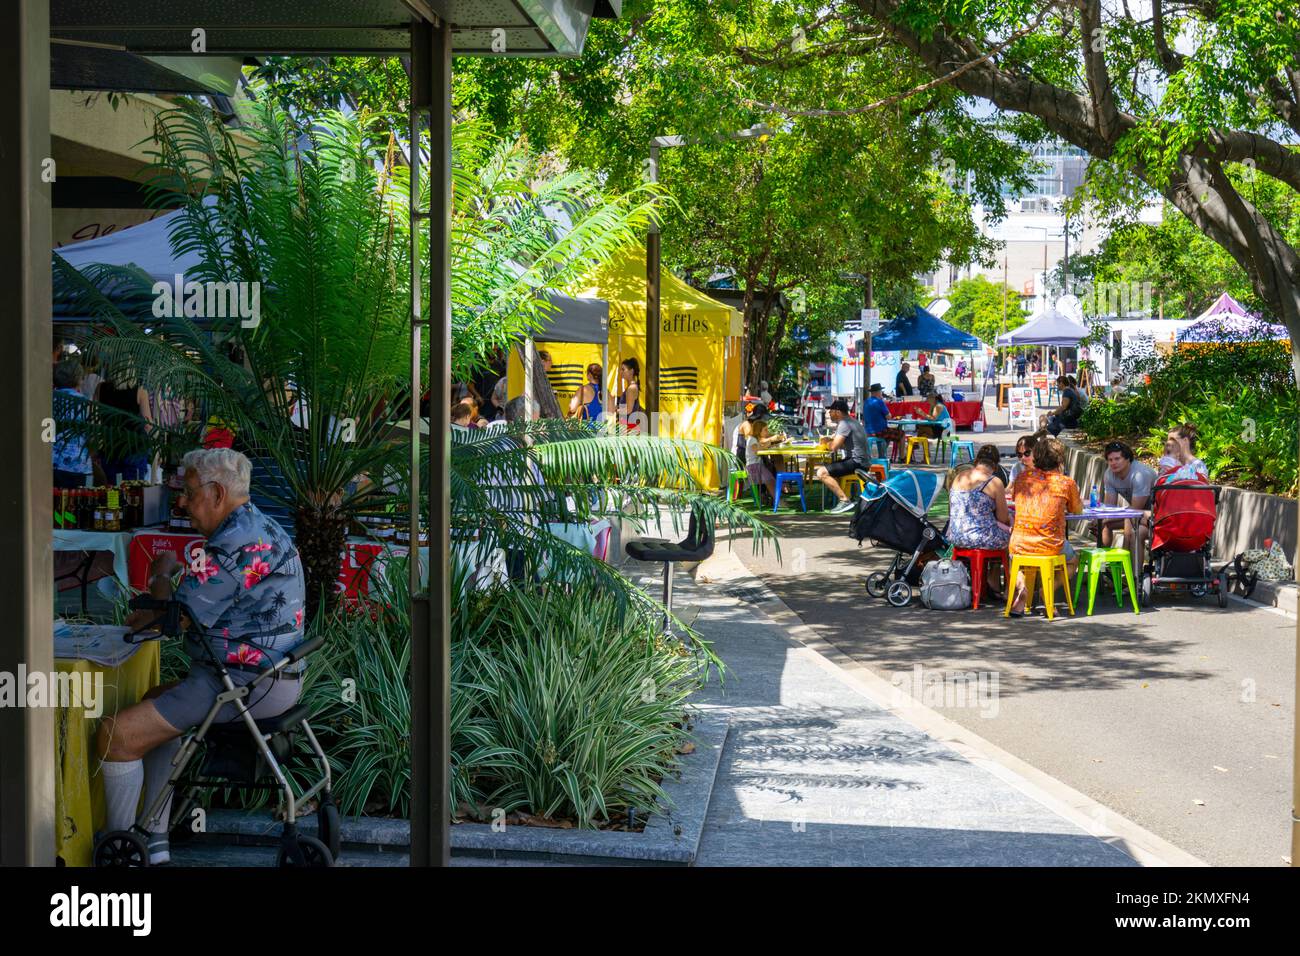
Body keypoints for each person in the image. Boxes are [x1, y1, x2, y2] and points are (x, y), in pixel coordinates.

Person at [96, 448, 306, 864]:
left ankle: (121, 848)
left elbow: (169, 622)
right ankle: (153, 841)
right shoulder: (259, 526)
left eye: (189, 493)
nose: (182, 503)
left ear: (215, 493)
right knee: (154, 699)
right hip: (270, 676)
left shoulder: (231, 544)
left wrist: (161, 573)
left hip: (242, 684)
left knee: (114, 736)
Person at [1006, 437, 1081, 617]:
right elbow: (1077, 511)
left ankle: (1023, 588)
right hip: (1051, 544)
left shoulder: (1021, 478)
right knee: (1073, 561)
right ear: (1060, 459)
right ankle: (1048, 590)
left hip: (1020, 543)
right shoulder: (1066, 482)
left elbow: (1016, 499)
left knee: (1014, 560)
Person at [947, 444, 1012, 597]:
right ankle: (1006, 587)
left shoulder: (959, 476)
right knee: (1013, 540)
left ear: (976, 461)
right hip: (979, 537)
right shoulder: (994, 482)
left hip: (956, 536)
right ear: (995, 466)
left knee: (993, 532)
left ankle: (989, 581)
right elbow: (1002, 518)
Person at [1097, 440, 1155, 574]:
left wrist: (1107, 517)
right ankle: (1101, 570)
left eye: (1117, 459)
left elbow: (1134, 509)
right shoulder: (1109, 474)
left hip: (1154, 513)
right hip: (1136, 513)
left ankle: (1130, 575)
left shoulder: (1140, 474)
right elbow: (1110, 507)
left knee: (1129, 521)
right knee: (1102, 524)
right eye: (1110, 460)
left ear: (1128, 459)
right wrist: (1103, 519)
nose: (1113, 463)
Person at [814, 398, 870, 514]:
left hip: (857, 462)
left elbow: (834, 447)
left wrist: (826, 443)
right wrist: (830, 440)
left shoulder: (844, 423)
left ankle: (844, 500)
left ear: (838, 412)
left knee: (821, 472)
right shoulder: (851, 421)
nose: (829, 414)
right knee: (831, 466)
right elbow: (844, 443)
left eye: (831, 411)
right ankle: (849, 497)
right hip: (861, 460)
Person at [52, 359, 102, 488]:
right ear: (79, 379)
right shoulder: (87, 405)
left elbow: (44, 435)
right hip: (80, 466)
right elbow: (95, 436)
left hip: (52, 465)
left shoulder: (48, 400)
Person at [743, 417, 779, 501]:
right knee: (770, 480)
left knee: (771, 475)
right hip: (753, 467)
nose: (767, 432)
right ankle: (778, 500)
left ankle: (772, 498)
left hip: (756, 466)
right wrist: (769, 442)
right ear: (759, 431)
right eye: (765, 430)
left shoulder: (755, 439)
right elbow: (756, 451)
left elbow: (760, 448)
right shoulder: (752, 439)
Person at [617, 357, 643, 431]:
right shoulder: (631, 387)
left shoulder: (631, 388)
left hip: (629, 428)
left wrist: (615, 410)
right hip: (628, 427)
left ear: (631, 371)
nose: (621, 372)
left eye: (623, 369)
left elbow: (628, 410)